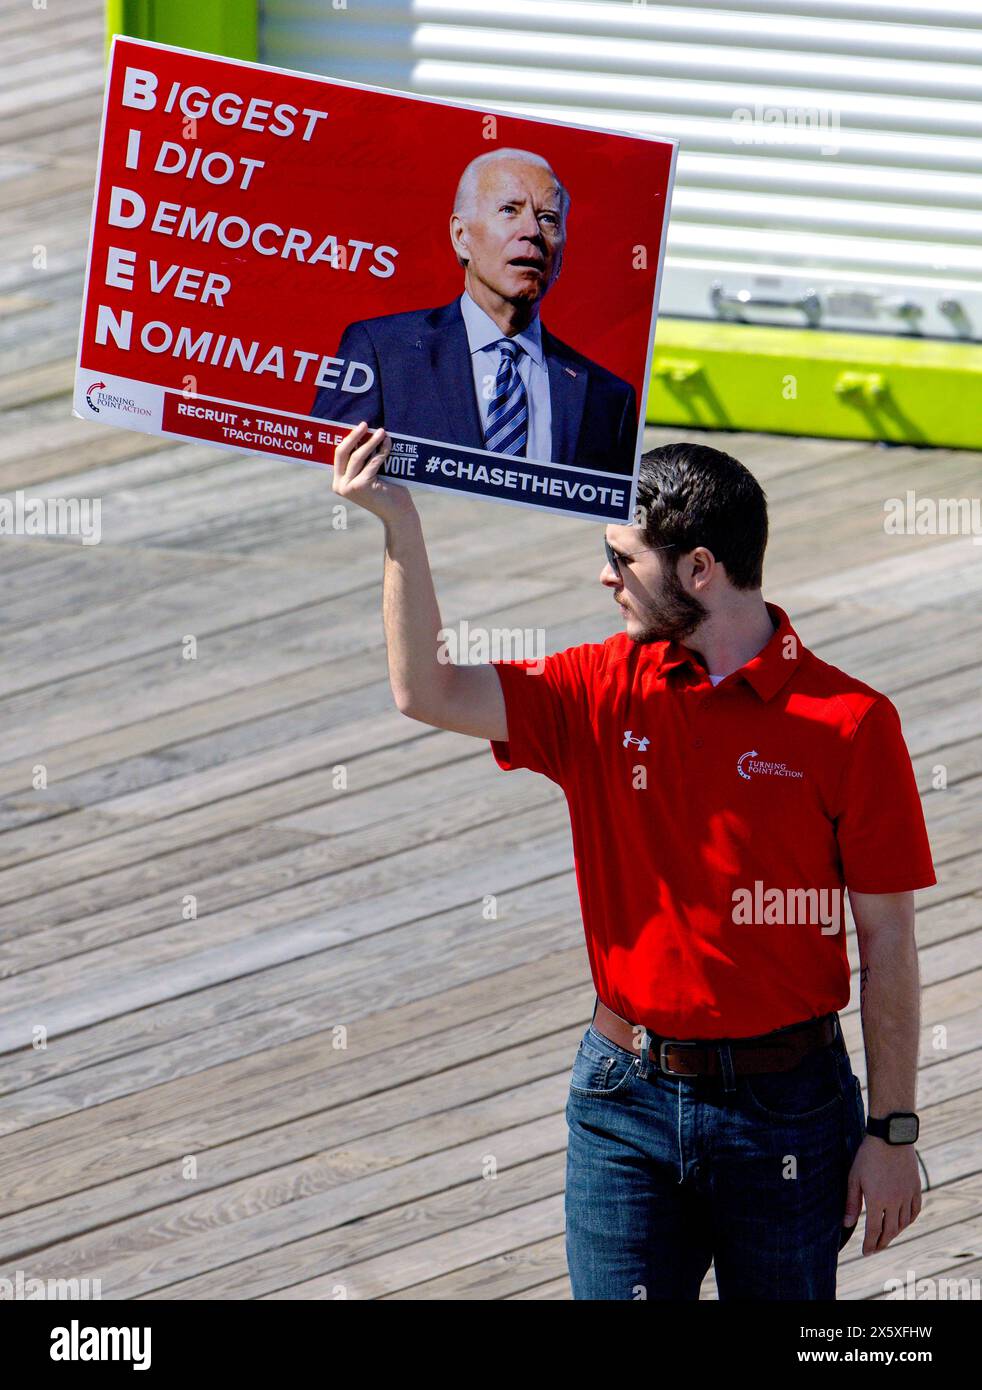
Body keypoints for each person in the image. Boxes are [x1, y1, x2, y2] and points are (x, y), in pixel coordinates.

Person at [331, 423, 936, 1300]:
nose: (604, 576)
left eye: (623, 557)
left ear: (699, 570)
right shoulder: (598, 688)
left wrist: (892, 1134)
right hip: (622, 1100)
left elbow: (889, 946)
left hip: (789, 1116)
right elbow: (428, 689)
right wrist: (398, 526)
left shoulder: (851, 724)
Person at [310, 148, 638, 474]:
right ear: (461, 236)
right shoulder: (381, 352)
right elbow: (320, 476)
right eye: (509, 210)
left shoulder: (608, 398)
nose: (532, 232)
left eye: (548, 218)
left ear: (561, 257)